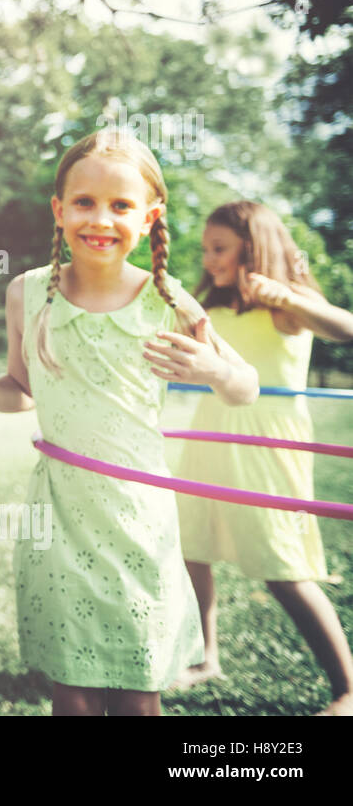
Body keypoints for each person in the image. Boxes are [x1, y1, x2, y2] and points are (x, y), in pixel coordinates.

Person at [0, 128, 258, 715]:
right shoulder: (28, 294)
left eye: (120, 205)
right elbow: (22, 390)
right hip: (61, 511)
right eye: (85, 202)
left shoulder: (164, 298)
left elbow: (247, 388)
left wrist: (215, 368)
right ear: (59, 210)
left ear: (148, 218)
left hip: (137, 514)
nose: (101, 219)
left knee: (139, 689)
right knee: (74, 687)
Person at [172, 200, 353, 715]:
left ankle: (347, 688)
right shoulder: (214, 309)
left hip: (268, 445)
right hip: (211, 434)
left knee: (282, 568)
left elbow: (346, 327)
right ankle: (206, 656)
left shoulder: (288, 306)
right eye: (207, 249)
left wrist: (288, 293)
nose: (208, 258)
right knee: (193, 547)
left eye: (220, 248)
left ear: (253, 247)